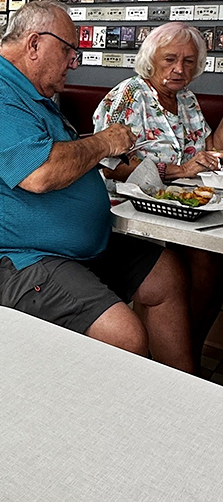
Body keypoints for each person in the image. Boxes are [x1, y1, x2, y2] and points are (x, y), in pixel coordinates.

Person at [0, 0, 194, 372]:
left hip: (67, 247)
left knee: (165, 274)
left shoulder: (33, 95)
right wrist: (104, 142)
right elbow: (41, 173)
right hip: (13, 256)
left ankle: (182, 397)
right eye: (68, 51)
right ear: (34, 45)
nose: (73, 62)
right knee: (123, 335)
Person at [93, 22, 223, 361]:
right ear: (151, 59)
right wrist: (179, 171)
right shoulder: (129, 95)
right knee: (205, 263)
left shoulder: (188, 101)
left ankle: (182, 355)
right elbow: (109, 164)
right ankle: (181, 358)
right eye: (170, 59)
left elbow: (203, 152)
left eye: (189, 61)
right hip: (126, 209)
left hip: (181, 209)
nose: (179, 69)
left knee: (214, 262)